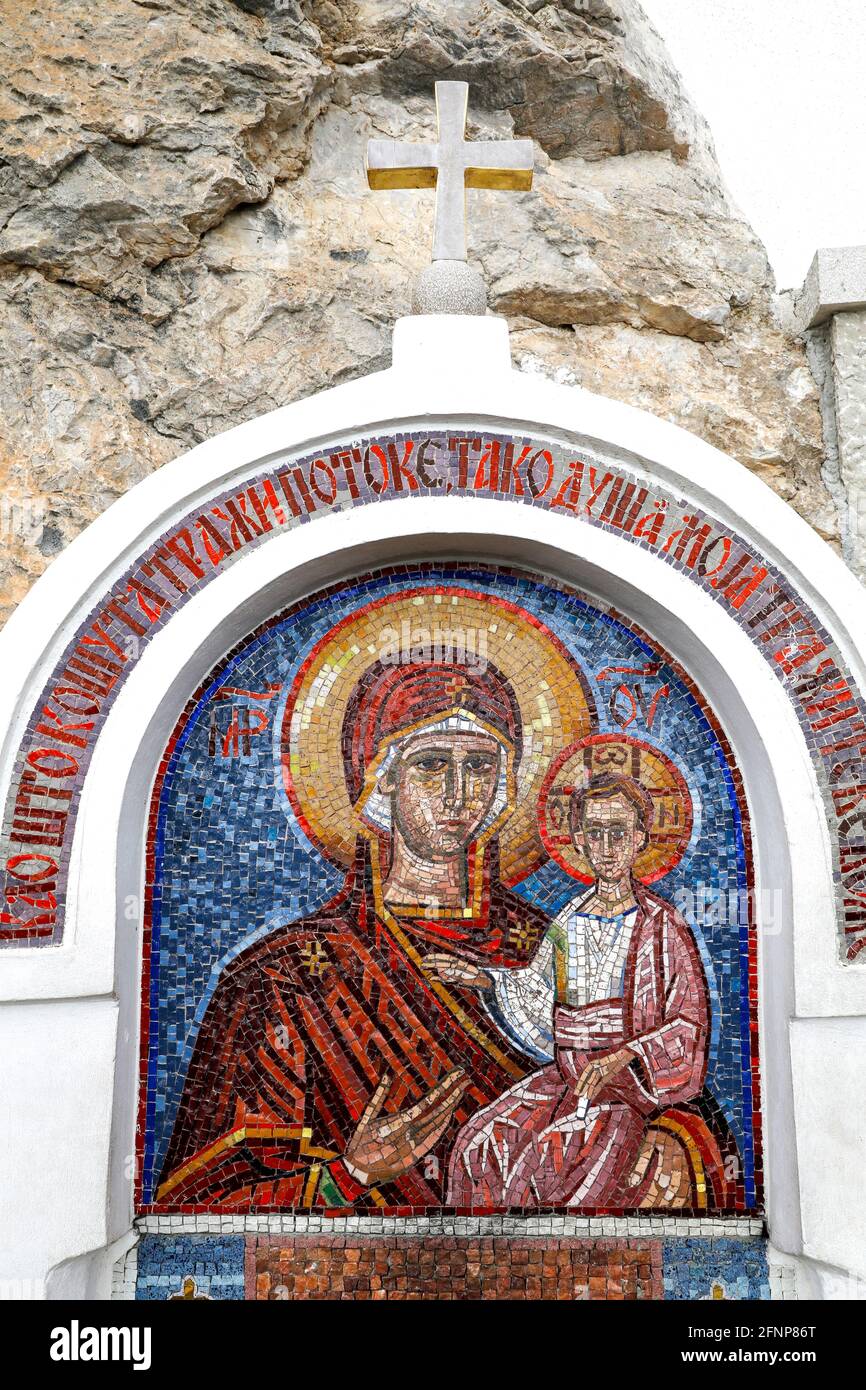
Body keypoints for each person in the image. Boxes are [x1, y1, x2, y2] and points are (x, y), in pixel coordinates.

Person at [155, 661, 550, 1209]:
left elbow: (675, 1114)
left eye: (481, 766)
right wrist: (349, 1175)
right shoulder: (282, 976)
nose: (460, 794)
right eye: (432, 765)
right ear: (381, 777)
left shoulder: (555, 945)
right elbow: (203, 1203)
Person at [441, 771, 738, 1209]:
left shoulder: (660, 925)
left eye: (618, 831)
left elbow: (687, 1023)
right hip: (566, 1078)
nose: (607, 846)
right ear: (579, 840)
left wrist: (623, 1057)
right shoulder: (568, 920)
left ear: (639, 837)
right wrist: (483, 977)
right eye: (595, 832)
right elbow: (542, 994)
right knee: (479, 1144)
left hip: (627, 1090)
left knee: (560, 1164)